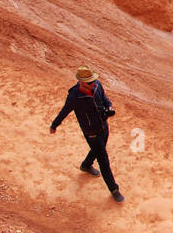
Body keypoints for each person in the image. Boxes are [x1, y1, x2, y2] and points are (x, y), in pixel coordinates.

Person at [50, 65, 123, 203]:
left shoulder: (96, 85)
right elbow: (64, 111)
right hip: (91, 132)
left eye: (93, 80)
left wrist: (109, 107)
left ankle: (86, 165)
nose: (93, 83)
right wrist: (54, 125)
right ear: (81, 82)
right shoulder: (74, 97)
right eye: (89, 82)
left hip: (103, 126)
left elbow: (105, 98)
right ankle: (114, 189)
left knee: (98, 150)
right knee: (103, 160)